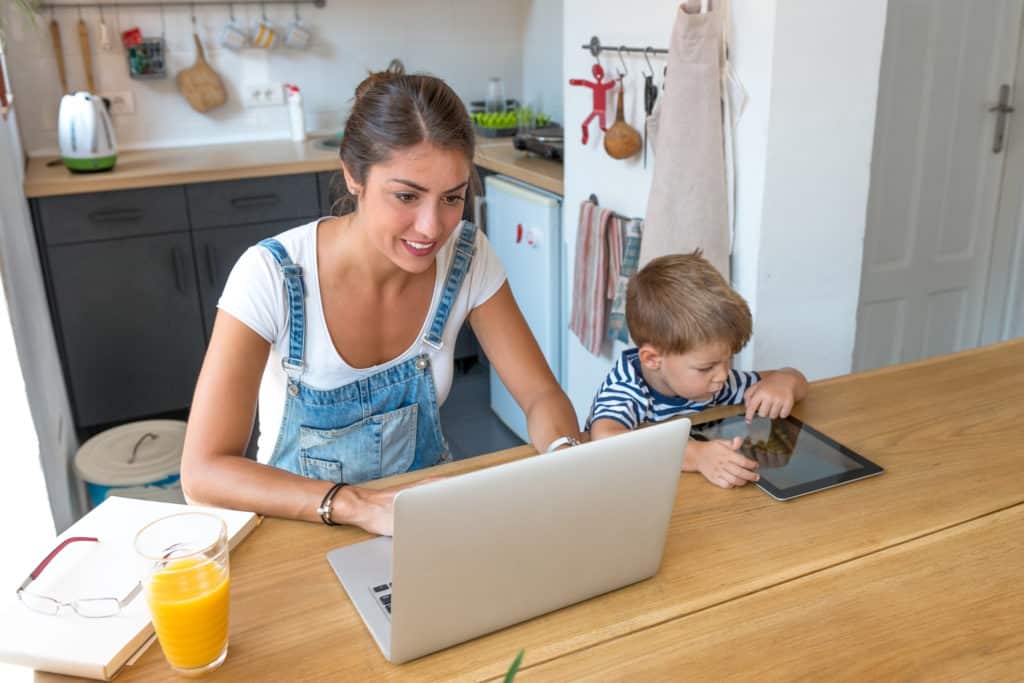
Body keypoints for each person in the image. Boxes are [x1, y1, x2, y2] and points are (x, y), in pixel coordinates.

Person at [181, 65, 581, 535]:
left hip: (422, 521)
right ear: (354, 176)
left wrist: (568, 460)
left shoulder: (467, 258)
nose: (432, 227)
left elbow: (540, 395)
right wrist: (359, 506)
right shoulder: (270, 275)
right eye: (407, 196)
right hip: (297, 522)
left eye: (452, 198)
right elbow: (203, 471)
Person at [586, 251, 808, 489]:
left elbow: (793, 381)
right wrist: (696, 456)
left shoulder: (714, 383)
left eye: (728, 360)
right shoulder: (626, 389)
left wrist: (786, 381)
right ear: (652, 359)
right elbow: (604, 439)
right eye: (706, 367)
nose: (723, 375)